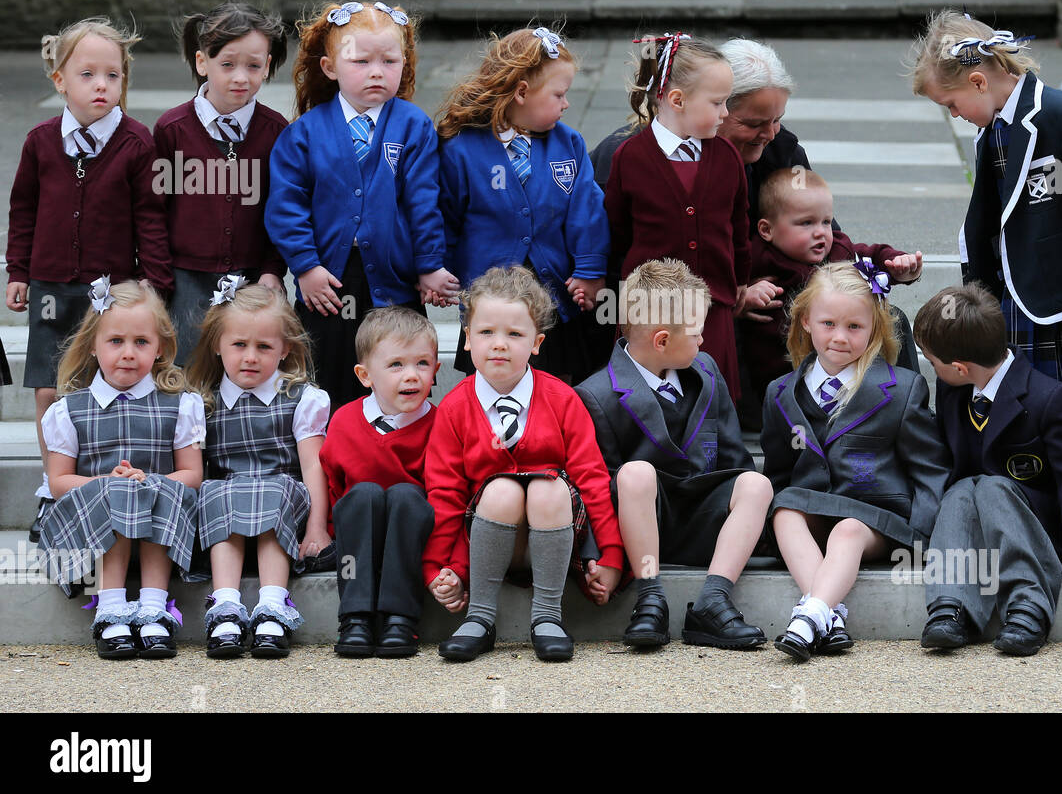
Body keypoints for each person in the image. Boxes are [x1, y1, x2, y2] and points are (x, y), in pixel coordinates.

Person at [909, 9, 1062, 394]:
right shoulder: (993, 128)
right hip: (1020, 286)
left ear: (978, 81)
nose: (954, 114)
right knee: (1029, 388)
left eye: (951, 104)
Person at [7, 18, 171, 543]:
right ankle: (56, 490)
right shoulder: (39, 143)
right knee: (51, 391)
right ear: (60, 80)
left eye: (113, 75)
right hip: (52, 289)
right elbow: (23, 210)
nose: (102, 86)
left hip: (112, 292)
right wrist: (18, 272)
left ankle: (106, 485)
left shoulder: (136, 143)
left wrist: (152, 283)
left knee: (103, 387)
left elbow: (151, 216)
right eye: (87, 74)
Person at [425, 267, 624, 662]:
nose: (499, 345)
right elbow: (444, 492)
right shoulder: (453, 408)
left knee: (547, 485)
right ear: (467, 339)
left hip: (554, 539)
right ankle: (479, 617)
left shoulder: (564, 399)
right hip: (485, 540)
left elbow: (593, 479)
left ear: (537, 343)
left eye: (514, 335)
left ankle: (548, 617)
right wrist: (439, 566)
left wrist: (611, 555)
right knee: (500, 488)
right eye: (486, 333)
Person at [576, 258, 770, 649]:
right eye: (697, 333)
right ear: (662, 340)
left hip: (705, 521)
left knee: (755, 483)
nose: (703, 341)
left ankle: (713, 601)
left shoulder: (707, 370)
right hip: (645, 527)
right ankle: (650, 599)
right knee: (634, 474)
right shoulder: (596, 395)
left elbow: (735, 459)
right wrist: (604, 557)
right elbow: (596, 490)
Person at [265, 0, 449, 408]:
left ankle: (401, 459)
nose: (377, 72)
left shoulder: (413, 126)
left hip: (395, 280)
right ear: (330, 68)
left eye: (389, 60)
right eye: (361, 61)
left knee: (400, 373)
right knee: (332, 376)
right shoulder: (305, 134)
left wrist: (429, 265)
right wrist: (306, 266)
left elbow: (424, 202)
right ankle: (334, 460)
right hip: (329, 282)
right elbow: (286, 207)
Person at [761, 263, 949, 661]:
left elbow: (929, 469)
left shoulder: (901, 389)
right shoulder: (779, 393)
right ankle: (829, 615)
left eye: (854, 327)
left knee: (846, 530)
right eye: (828, 323)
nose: (840, 338)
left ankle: (810, 614)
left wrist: (924, 536)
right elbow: (778, 472)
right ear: (806, 322)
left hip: (877, 518)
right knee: (784, 511)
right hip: (813, 514)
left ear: (875, 330)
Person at [913, 284, 1062, 656]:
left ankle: (1028, 604)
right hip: (973, 521)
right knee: (963, 488)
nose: (932, 369)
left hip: (1033, 524)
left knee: (991, 487)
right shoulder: (954, 391)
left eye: (932, 362)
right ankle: (950, 605)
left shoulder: (1049, 398)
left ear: (960, 367)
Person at [36, 280, 203, 659]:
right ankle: (110, 608)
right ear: (93, 345)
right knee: (123, 493)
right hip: (88, 516)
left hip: (160, 511)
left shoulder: (181, 405)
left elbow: (192, 475)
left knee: (152, 491)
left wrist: (151, 481)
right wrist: (107, 483)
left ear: (160, 348)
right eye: (116, 341)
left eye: (141, 342)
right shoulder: (69, 409)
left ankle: (153, 608)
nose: (128, 353)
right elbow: (59, 481)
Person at [436, 26, 608, 382]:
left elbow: (587, 212)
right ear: (522, 92)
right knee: (491, 388)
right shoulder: (462, 149)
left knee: (558, 386)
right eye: (559, 94)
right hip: (489, 303)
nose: (566, 103)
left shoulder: (569, 145)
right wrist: (441, 271)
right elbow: (447, 218)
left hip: (556, 303)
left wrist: (590, 270)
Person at [186, 279, 331, 658]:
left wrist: (316, 528)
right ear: (218, 346)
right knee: (216, 489)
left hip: (283, 497)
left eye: (264, 346)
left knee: (272, 488)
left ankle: (272, 605)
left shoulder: (300, 398)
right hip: (227, 506)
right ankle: (226, 607)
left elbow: (312, 466)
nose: (250, 357)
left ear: (285, 350)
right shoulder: (202, 401)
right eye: (239, 345)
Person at [604, 33, 750, 400]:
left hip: (712, 304)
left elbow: (738, 227)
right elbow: (618, 230)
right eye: (717, 102)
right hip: (648, 308)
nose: (726, 113)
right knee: (647, 394)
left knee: (711, 395)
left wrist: (740, 282)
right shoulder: (631, 157)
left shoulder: (727, 157)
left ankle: (713, 456)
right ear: (677, 99)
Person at [155, 0, 290, 364]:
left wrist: (272, 270)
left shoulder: (277, 132)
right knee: (184, 375)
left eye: (254, 66)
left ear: (268, 67)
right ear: (202, 62)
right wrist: (156, 276)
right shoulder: (172, 129)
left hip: (252, 281)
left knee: (243, 371)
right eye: (227, 65)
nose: (240, 77)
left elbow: (284, 209)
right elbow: (155, 209)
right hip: (183, 282)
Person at [739, 167, 923, 410]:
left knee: (893, 319)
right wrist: (741, 296)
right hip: (781, 374)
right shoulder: (754, 261)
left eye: (826, 221)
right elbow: (718, 281)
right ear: (767, 230)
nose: (821, 233)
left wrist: (899, 266)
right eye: (806, 223)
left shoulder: (839, 251)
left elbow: (873, 257)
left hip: (843, 359)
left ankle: (906, 402)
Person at [320, 306, 440, 658]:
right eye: (396, 365)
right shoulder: (344, 422)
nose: (411, 376)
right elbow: (333, 487)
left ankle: (400, 617)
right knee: (363, 495)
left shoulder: (441, 423)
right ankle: (355, 616)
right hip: (358, 539)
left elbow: (444, 492)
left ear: (436, 368)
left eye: (422, 364)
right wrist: (323, 532)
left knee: (405, 495)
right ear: (365, 375)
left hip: (411, 538)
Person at [591, 38, 809, 228]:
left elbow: (822, 228)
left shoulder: (784, 153)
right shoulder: (623, 157)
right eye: (753, 124)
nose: (770, 134)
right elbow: (606, 249)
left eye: (777, 120)